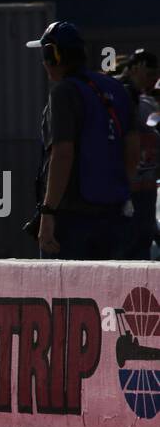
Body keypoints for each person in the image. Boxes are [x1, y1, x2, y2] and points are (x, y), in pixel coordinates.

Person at [28, 22, 139, 260]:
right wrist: (120, 190)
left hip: (71, 217)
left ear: (52, 55)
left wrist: (48, 212)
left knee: (59, 293)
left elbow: (63, 153)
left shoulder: (64, 92)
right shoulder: (117, 89)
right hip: (113, 212)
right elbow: (133, 147)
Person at [115, 48, 159, 259]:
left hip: (146, 188)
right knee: (128, 247)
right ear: (134, 69)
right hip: (129, 190)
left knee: (142, 241)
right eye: (148, 73)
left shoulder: (148, 103)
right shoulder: (121, 96)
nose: (152, 80)